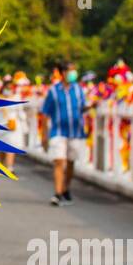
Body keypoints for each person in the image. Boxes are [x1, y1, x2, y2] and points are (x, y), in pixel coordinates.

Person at [41, 60, 87, 206]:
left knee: (71, 162)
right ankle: (58, 193)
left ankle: (65, 188)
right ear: (63, 73)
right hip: (58, 131)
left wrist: (91, 106)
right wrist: (44, 135)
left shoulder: (79, 90)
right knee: (59, 161)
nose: (73, 73)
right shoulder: (54, 92)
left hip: (76, 131)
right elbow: (45, 113)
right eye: (70, 70)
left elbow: (82, 108)